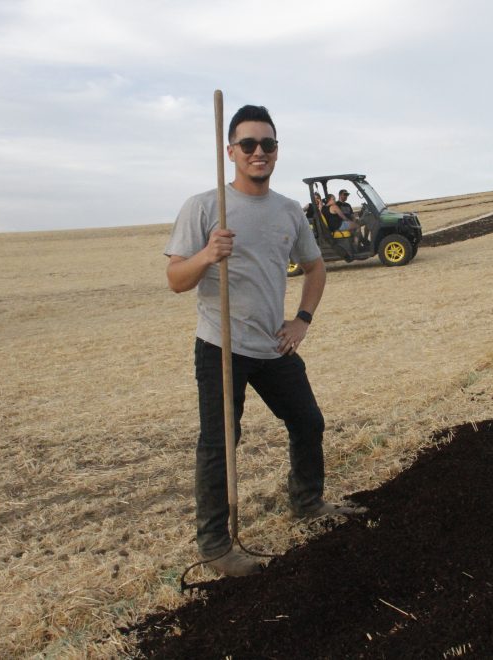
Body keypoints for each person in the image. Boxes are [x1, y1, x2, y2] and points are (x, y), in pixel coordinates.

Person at [164, 104, 365, 578]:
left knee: (307, 421)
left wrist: (302, 321)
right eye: (249, 144)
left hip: (272, 344)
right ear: (230, 151)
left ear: (277, 151)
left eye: (267, 144)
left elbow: (315, 267)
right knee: (220, 442)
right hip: (221, 343)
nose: (259, 151)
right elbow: (175, 280)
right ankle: (216, 546)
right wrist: (207, 254)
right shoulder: (204, 206)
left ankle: (307, 502)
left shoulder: (289, 211)